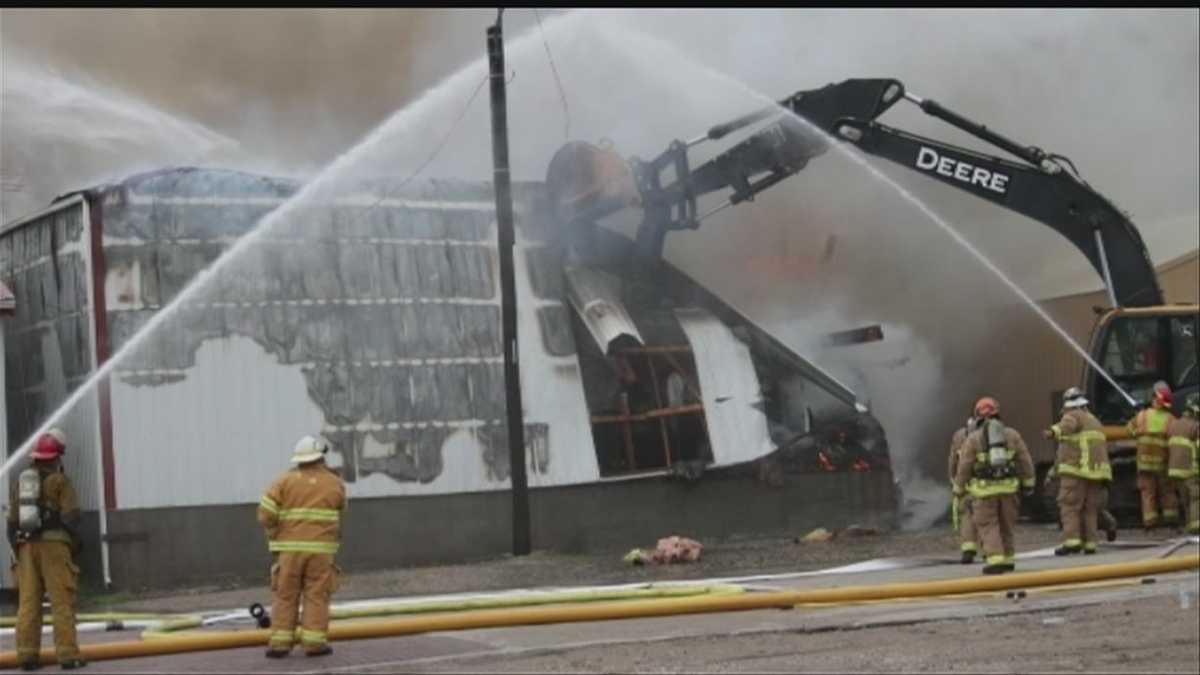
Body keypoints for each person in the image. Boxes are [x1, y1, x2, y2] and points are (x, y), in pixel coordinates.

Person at [257, 435, 346, 659]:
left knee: (286, 595)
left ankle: (279, 645)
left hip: (289, 552)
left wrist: (274, 529)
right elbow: (341, 509)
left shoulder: (284, 481)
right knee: (317, 595)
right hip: (321, 552)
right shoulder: (334, 482)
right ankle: (315, 645)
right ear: (320, 457)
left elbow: (265, 514)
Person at [6, 429, 86, 671]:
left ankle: (27, 656)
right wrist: (73, 542)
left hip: (26, 547)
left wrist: (19, 550)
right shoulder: (60, 481)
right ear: (57, 457)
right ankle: (67, 656)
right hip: (54, 548)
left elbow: (12, 522)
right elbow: (72, 516)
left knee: (28, 602)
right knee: (61, 600)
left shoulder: (22, 481)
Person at [954, 397, 1036, 575]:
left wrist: (959, 489)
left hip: (984, 492)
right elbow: (1025, 461)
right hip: (1009, 490)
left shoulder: (973, 439)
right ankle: (1007, 558)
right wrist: (1028, 484)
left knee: (989, 525)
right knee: (1006, 525)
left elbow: (964, 467)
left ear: (977, 416)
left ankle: (995, 559)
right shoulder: (1012, 435)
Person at [1043, 387, 1111, 555]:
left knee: (1069, 506)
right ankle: (1090, 544)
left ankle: (1072, 542)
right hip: (1095, 473)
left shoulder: (1073, 415)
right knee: (1090, 509)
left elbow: (1066, 426)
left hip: (1076, 471)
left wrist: (1053, 432)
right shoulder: (1094, 420)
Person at [1126, 384, 1178, 529]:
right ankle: (1171, 519)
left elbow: (1129, 430)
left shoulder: (1142, 415)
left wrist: (1137, 420)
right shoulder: (1170, 419)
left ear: (1154, 397)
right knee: (1167, 491)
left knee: (1147, 493)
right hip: (1162, 463)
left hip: (1144, 463)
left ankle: (1150, 522)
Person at [948, 415, 981, 563]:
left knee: (967, 518)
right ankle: (989, 550)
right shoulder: (987, 437)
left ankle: (968, 549)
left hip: (966, 487)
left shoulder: (959, 436)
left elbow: (953, 463)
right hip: (985, 486)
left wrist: (954, 482)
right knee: (987, 519)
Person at [1166, 394, 1199, 534]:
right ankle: (1196, 526)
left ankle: (1187, 524)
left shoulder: (1173, 424)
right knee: (1196, 497)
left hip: (1174, 469)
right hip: (1190, 468)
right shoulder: (1195, 426)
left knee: (1184, 498)